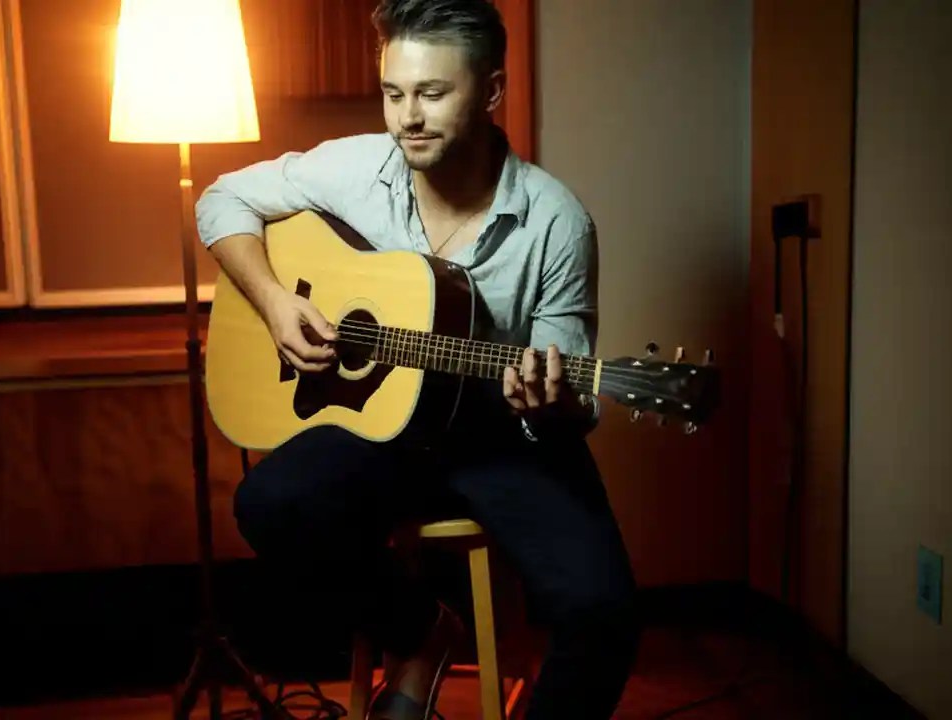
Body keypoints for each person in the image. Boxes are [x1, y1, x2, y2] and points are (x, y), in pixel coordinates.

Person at [195, 1, 639, 718]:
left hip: (506, 442)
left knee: (603, 613)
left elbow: (570, 391)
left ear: (491, 92)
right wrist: (277, 301)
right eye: (394, 93)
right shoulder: (354, 167)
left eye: (432, 93)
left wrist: (550, 405)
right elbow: (222, 200)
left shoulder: (556, 222)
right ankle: (420, 632)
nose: (408, 116)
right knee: (269, 505)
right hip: (386, 429)